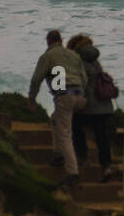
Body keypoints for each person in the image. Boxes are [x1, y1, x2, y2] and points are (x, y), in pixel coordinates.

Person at [28, 28, 88, 188]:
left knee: (65, 135)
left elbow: (36, 80)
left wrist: (31, 98)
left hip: (65, 96)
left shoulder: (48, 56)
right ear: (61, 40)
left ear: (48, 41)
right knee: (55, 119)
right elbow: (84, 77)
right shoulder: (74, 55)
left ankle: (72, 172)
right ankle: (57, 154)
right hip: (80, 96)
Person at [68, 34, 116, 181]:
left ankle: (83, 158)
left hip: (87, 106)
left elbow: (79, 83)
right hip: (105, 106)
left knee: (75, 127)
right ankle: (106, 166)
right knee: (102, 137)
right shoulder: (96, 61)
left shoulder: (77, 61)